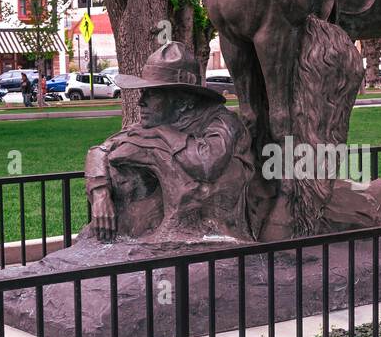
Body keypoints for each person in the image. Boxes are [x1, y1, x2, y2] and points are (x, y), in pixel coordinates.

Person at [84, 42, 254, 245]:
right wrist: (100, 193)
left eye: (152, 93)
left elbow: (207, 163)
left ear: (182, 102)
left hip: (216, 233)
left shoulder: (223, 122)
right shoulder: (160, 120)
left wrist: (162, 133)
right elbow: (99, 151)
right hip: (149, 225)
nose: (141, 102)